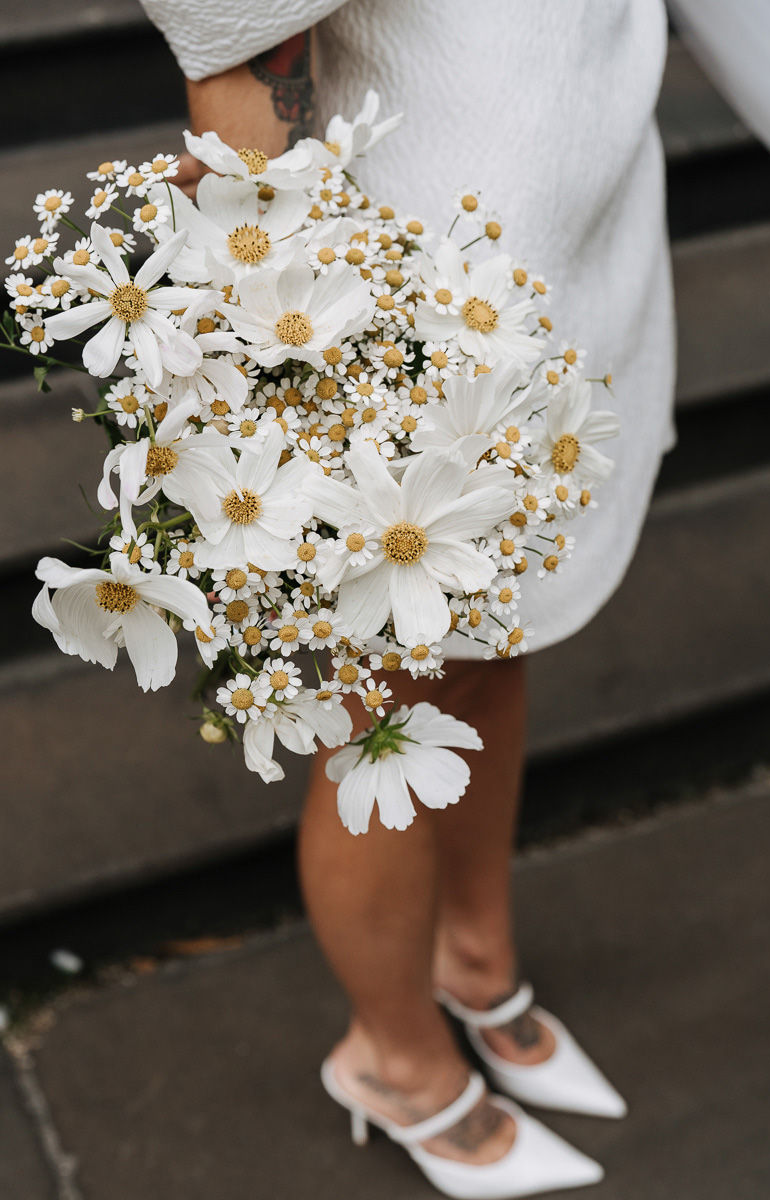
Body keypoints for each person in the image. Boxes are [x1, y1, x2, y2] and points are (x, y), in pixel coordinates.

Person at [140, 2, 677, 1195]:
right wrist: (260, 350)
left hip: (572, 232)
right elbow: (242, 35)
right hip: (410, 283)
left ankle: (471, 961)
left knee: (497, 639)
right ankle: (390, 1055)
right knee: (388, 696)